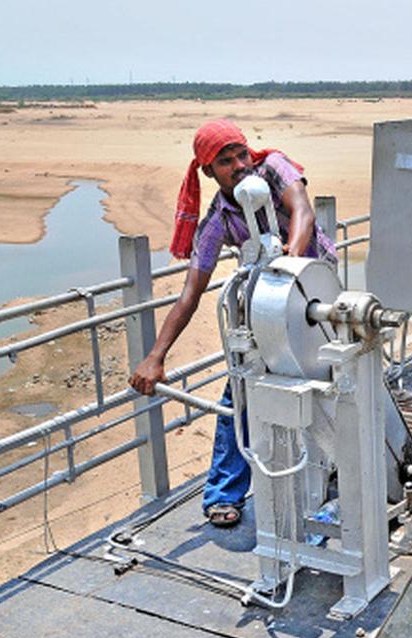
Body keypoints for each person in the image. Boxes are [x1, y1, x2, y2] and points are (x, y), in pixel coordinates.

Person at [128, 119, 336, 528]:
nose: (239, 164)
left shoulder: (274, 167)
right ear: (208, 172)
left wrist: (288, 263)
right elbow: (190, 293)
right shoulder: (217, 222)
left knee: (333, 382)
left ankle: (336, 470)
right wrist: (155, 356)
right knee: (240, 390)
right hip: (268, 306)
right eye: (225, 161)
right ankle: (224, 493)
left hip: (316, 291)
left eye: (241, 153)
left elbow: (302, 212)